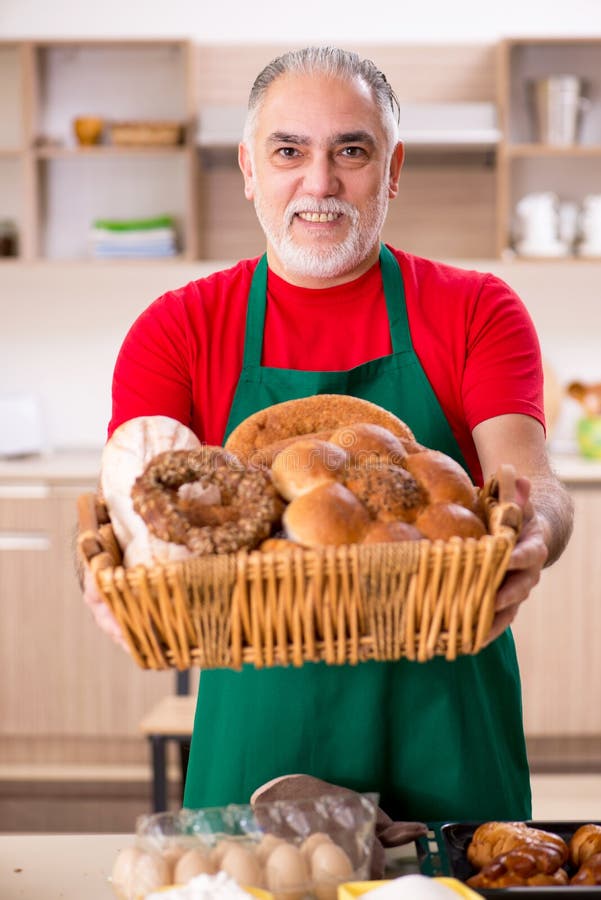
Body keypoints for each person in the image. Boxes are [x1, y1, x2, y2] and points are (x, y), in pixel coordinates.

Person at [85, 46, 574, 824]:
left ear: (391, 167)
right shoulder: (178, 328)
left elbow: (530, 480)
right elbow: (134, 521)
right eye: (288, 151)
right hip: (261, 723)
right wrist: (108, 583)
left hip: (445, 712)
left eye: (351, 150)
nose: (320, 183)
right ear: (249, 168)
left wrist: (534, 536)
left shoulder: (476, 309)